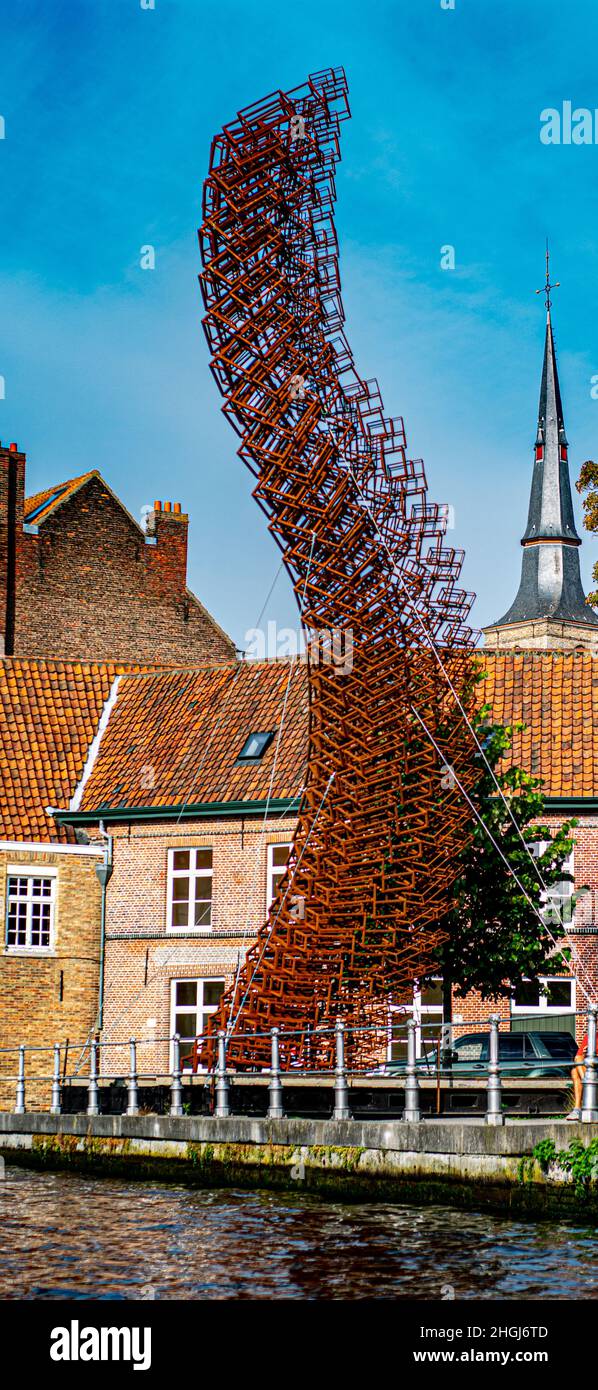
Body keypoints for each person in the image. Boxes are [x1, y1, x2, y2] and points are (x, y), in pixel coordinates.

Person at [566, 1031, 588, 1119]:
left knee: (575, 1071)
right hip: (591, 1068)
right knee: (575, 1071)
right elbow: (577, 1057)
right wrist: (586, 1053)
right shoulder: (590, 1036)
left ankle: (577, 1109)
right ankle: (577, 1109)